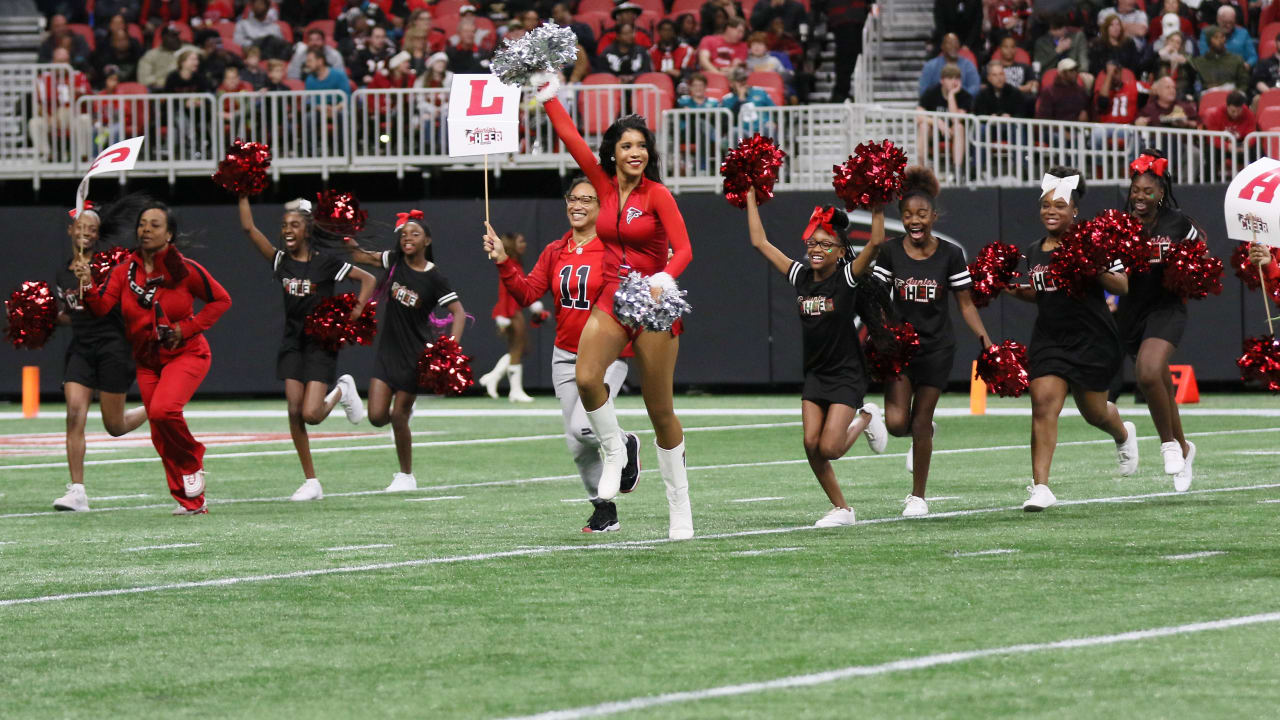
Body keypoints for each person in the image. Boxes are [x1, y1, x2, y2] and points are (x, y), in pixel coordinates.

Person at [536, 73, 695, 540]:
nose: (635, 152)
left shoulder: (657, 194)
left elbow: (685, 249)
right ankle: (614, 450)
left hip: (654, 304)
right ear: (613, 153)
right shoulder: (603, 187)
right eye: (626, 146)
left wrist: (664, 277)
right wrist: (547, 94)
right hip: (611, 297)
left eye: (641, 146)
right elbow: (570, 138)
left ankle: (679, 506)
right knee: (587, 377)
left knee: (660, 410)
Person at [483, 178, 644, 532]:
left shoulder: (614, 248)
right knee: (576, 444)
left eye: (587, 199)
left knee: (583, 427)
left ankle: (625, 443)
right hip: (565, 354)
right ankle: (604, 511)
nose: (577, 205)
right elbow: (527, 294)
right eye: (573, 198)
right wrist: (504, 261)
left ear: (601, 207)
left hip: (606, 354)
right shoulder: (555, 250)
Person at [78, 199, 232, 515]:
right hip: (147, 360)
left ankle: (192, 459)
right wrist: (87, 283)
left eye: (155, 225)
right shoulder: (124, 271)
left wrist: (187, 328)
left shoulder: (184, 269)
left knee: (163, 411)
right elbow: (101, 308)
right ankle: (192, 502)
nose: (145, 229)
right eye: (142, 224)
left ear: (169, 234)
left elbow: (221, 300)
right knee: (159, 433)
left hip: (186, 354)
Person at [744, 188, 886, 526]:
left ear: (840, 251)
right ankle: (842, 509)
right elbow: (760, 242)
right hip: (816, 373)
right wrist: (749, 195)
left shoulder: (846, 278)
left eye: (825, 244)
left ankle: (867, 417)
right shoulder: (801, 277)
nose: (816, 249)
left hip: (847, 373)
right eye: (812, 243)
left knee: (830, 448)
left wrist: (877, 200)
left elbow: (876, 243)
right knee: (811, 443)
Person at [857, 167, 992, 516]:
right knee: (897, 423)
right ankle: (922, 431)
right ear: (901, 217)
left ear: (934, 216)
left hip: (937, 348)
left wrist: (986, 341)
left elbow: (965, 304)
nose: (914, 221)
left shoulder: (950, 254)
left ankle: (917, 496)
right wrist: (880, 333)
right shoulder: (890, 252)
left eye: (921, 214)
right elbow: (877, 297)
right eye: (907, 215)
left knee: (919, 421)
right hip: (900, 349)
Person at [1002, 168, 1137, 511]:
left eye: (1059, 206)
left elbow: (1122, 285)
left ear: (1074, 210)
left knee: (1094, 413)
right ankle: (1041, 487)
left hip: (1092, 339)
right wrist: (1013, 290)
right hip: (1050, 339)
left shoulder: (1093, 243)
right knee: (1043, 403)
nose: (1051, 211)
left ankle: (1123, 433)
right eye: (1046, 205)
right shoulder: (1034, 251)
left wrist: (1091, 263)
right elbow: (1042, 292)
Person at [236, 195, 376, 501]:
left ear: (307, 230)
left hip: (320, 343)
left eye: (295, 225)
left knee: (311, 414)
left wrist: (356, 312)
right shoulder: (280, 261)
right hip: (292, 341)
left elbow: (368, 279)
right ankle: (311, 481)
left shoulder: (326, 263)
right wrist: (243, 192)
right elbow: (249, 229)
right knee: (293, 409)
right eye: (285, 225)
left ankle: (342, 390)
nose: (288, 230)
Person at [346, 211, 467, 492]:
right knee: (377, 417)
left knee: (398, 416)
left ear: (427, 240)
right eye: (404, 234)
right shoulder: (394, 260)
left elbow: (459, 313)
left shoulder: (435, 278)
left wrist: (451, 350)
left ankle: (406, 476)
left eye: (414, 234)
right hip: (388, 351)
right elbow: (361, 257)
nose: (407, 238)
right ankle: (365, 399)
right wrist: (347, 239)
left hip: (415, 356)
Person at [51, 206, 148, 512]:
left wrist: (90, 279)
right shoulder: (63, 272)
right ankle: (77, 491)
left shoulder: (110, 266)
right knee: (74, 412)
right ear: (70, 230)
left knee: (115, 426)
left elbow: (106, 307)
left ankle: (156, 405)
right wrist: (43, 317)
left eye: (92, 228)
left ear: (97, 235)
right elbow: (72, 313)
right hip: (81, 348)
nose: (85, 232)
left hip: (112, 348)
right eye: (80, 226)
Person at [1118, 149, 1201, 491]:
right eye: (1136, 190)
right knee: (1160, 385)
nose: (1140, 197)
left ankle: (1167, 445)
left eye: (1148, 191)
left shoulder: (1178, 223)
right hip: (1131, 311)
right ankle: (1184, 448)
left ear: (1161, 192)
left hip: (1167, 308)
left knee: (1149, 372)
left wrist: (1188, 273)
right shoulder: (1119, 224)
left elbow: (1201, 260)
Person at [476, 231, 547, 403]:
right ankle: (515, 390)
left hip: (514, 311)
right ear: (512, 245)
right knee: (517, 349)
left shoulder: (516, 264)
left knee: (520, 349)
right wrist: (504, 316)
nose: (524, 244)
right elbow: (504, 293)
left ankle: (493, 377)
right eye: (520, 241)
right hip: (510, 312)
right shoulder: (508, 265)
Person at [30, 47, 93, 162]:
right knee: (35, 123)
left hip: (73, 117)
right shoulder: (43, 78)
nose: (62, 65)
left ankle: (82, 156)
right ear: (53, 62)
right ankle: (46, 155)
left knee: (84, 118)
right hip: (50, 118)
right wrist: (48, 118)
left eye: (65, 61)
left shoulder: (78, 76)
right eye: (59, 61)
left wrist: (75, 91)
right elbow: (39, 104)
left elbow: (88, 96)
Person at [916, 65, 970, 168]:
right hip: (934, 131)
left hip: (952, 132)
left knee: (959, 127)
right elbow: (919, 115)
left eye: (956, 78)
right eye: (950, 78)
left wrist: (951, 96)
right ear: (942, 80)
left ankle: (957, 170)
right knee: (923, 126)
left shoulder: (965, 96)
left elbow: (956, 119)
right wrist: (937, 122)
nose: (953, 82)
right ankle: (921, 167)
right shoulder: (931, 92)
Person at [919, 33, 981, 99]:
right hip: (936, 103)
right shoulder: (930, 66)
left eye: (955, 43)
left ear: (959, 46)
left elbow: (975, 87)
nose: (953, 46)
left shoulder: (969, 65)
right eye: (949, 43)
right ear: (942, 46)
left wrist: (960, 98)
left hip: (962, 102)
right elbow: (924, 90)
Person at [1191, 25, 1250, 93]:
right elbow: (1196, 86)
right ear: (1209, 41)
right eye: (1216, 37)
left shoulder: (1236, 59)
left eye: (1222, 37)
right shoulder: (1199, 62)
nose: (1220, 40)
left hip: (1233, 95)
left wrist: (1238, 92)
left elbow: (1244, 83)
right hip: (1209, 95)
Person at [138, 25, 193, 91]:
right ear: (163, 37)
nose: (176, 38)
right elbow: (144, 80)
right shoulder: (151, 55)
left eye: (177, 35)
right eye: (172, 36)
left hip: (185, 89)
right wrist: (163, 81)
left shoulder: (188, 51)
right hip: (160, 91)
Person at [1036, 58, 1090, 122]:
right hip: (1056, 127)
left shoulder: (1080, 91)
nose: (1075, 73)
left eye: (1076, 70)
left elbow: (1087, 110)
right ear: (1062, 73)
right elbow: (1044, 118)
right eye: (1071, 71)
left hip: (1078, 127)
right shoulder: (1049, 91)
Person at [650, 19, 695, 87]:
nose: (666, 33)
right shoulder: (652, 51)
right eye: (664, 30)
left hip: (680, 81)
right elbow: (651, 72)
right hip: (658, 82)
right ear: (659, 32)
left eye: (669, 30)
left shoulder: (686, 49)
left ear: (674, 32)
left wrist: (680, 73)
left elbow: (689, 71)